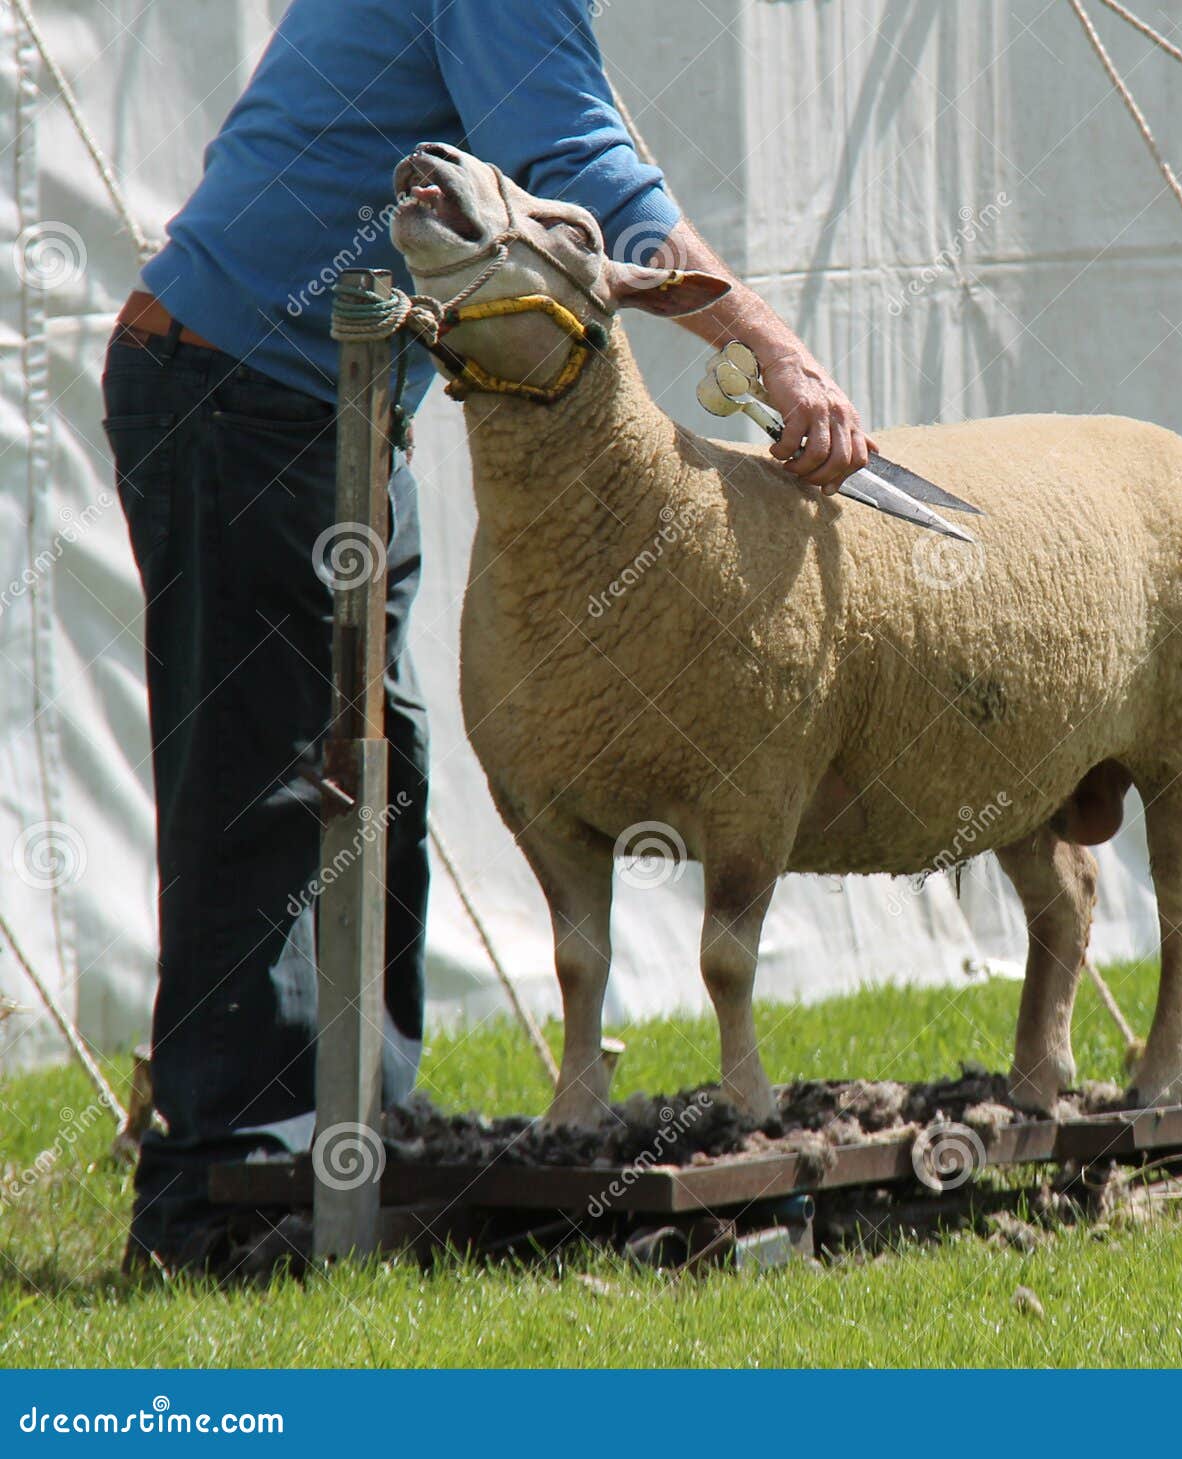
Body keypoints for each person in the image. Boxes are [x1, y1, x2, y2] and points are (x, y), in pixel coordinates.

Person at [104, 0, 872, 1270]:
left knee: (372, 764)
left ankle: (358, 1140)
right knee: (272, 773)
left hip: (335, 403)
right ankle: (219, 1196)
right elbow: (583, 168)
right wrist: (776, 357)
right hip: (240, 393)